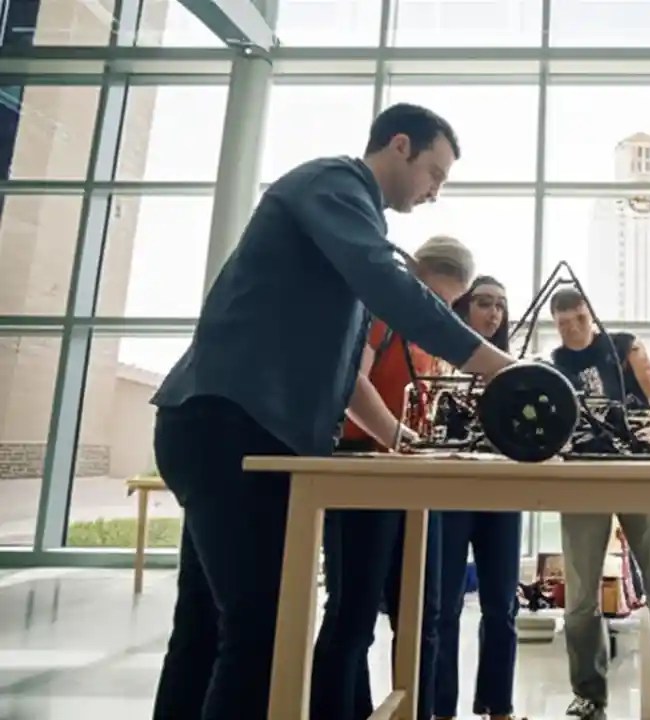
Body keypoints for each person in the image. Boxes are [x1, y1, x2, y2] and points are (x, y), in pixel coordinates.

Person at [148, 103, 515, 720]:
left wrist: (401, 438)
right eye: (435, 172)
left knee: (207, 628)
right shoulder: (335, 185)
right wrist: (502, 368)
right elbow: (392, 288)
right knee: (260, 633)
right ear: (400, 145)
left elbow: (345, 376)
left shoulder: (343, 239)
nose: (435, 191)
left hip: (223, 427)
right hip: (231, 428)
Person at [313, 235, 475, 719]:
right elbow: (350, 383)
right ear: (413, 278)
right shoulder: (378, 315)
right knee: (353, 613)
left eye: (448, 303)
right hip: (363, 467)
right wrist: (399, 435)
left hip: (411, 473)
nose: (436, 309)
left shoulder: (426, 338)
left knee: (422, 615)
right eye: (433, 296)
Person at [546, 287, 650, 720]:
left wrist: (639, 364)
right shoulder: (554, 364)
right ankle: (588, 696)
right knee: (581, 596)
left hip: (639, 472)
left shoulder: (621, 345)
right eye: (563, 324)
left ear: (591, 316)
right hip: (583, 479)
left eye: (579, 319)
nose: (573, 329)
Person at [431, 275, 523, 720]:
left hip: (503, 493)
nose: (494, 313)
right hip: (451, 491)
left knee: (502, 605)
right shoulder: (438, 362)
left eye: (500, 306)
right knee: (444, 607)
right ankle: (441, 709)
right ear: (464, 306)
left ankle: (498, 706)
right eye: (484, 302)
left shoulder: (516, 370)